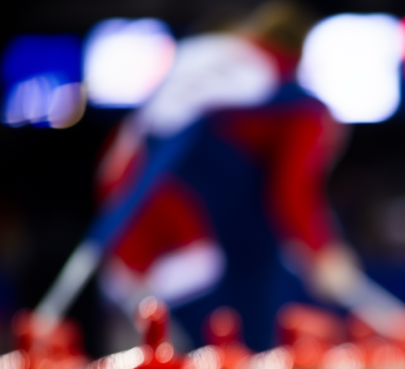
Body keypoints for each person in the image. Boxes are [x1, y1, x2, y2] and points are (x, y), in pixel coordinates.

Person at [90, 2, 368, 350]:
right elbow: (291, 193)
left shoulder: (205, 56)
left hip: (126, 203)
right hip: (188, 218)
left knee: (155, 350)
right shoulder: (304, 107)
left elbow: (127, 152)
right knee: (235, 350)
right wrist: (322, 252)